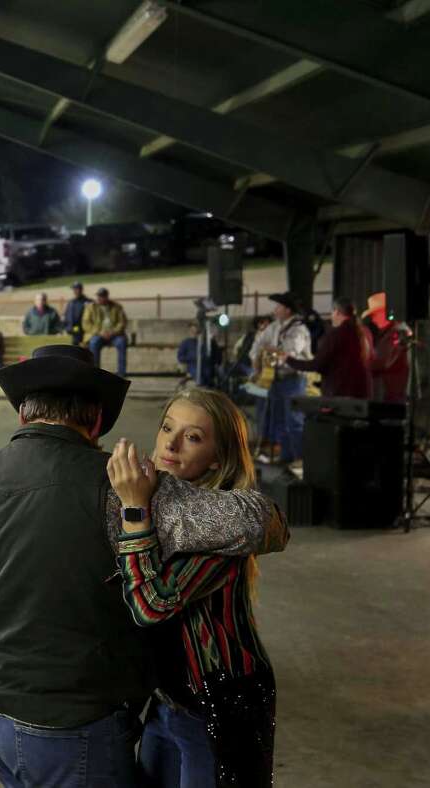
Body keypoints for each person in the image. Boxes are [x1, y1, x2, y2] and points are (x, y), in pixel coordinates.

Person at [0, 345, 286, 788]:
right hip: (70, 723)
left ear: (23, 415)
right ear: (97, 421)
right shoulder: (124, 487)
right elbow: (262, 521)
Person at [109, 388, 287, 787]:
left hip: (219, 701)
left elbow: (151, 605)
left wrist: (133, 512)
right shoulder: (163, 497)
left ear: (219, 457)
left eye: (193, 437)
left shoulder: (222, 521)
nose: (170, 444)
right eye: (167, 428)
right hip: (168, 699)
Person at [249, 292, 312, 465]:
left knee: (294, 420)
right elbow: (258, 343)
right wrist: (256, 358)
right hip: (277, 380)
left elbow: (289, 353)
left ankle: (299, 458)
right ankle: (286, 456)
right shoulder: (275, 327)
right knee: (279, 420)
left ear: (287, 309)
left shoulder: (299, 329)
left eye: (278, 306)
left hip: (293, 379)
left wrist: (269, 352)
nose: (274, 310)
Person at [282, 298, 372, 399]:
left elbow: (316, 364)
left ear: (337, 312)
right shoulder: (364, 332)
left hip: (340, 394)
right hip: (362, 392)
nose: (331, 317)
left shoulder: (336, 334)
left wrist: (289, 360)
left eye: (332, 312)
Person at [361, 293, 411, 403]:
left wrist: (361, 368)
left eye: (374, 315)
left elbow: (381, 362)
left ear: (384, 313)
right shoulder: (392, 332)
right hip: (394, 391)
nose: (373, 320)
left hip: (396, 393)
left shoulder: (394, 333)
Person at [82, 286, 129, 376]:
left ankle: (122, 372)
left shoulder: (117, 307)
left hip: (114, 335)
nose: (100, 298)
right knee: (94, 343)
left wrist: (113, 332)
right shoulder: (91, 307)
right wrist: (100, 332)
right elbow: (86, 324)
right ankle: (95, 371)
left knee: (122, 342)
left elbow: (122, 322)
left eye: (102, 296)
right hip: (98, 334)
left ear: (107, 296)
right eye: (99, 296)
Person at [176, 322, 221, 387]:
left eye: (196, 331)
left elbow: (217, 356)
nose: (194, 333)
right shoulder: (186, 343)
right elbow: (180, 357)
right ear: (189, 331)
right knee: (200, 376)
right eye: (192, 331)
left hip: (207, 366)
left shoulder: (208, 343)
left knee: (211, 376)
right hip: (193, 366)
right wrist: (192, 357)